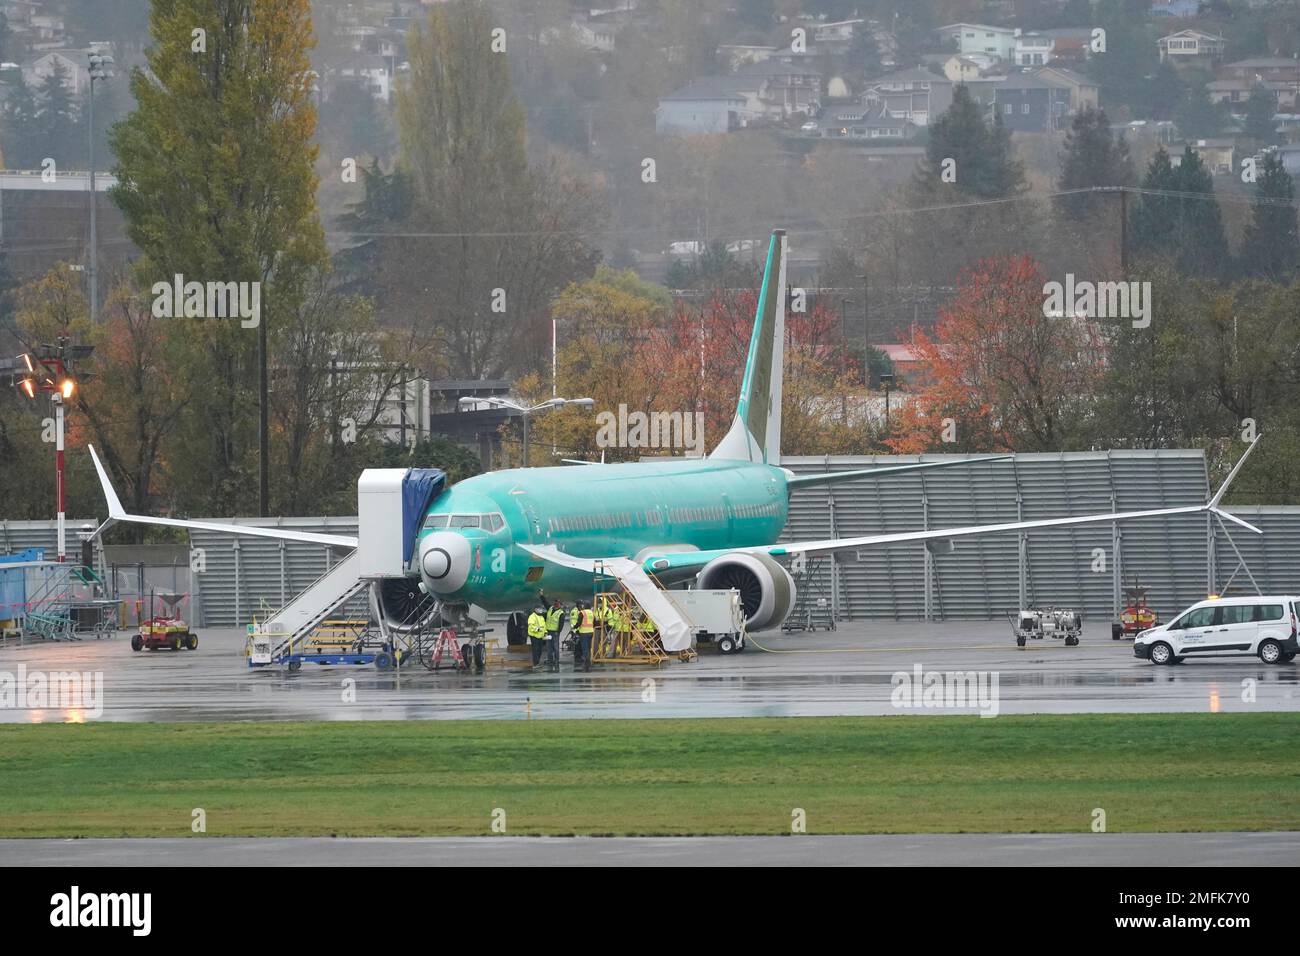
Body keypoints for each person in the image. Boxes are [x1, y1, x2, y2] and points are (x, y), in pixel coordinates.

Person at [574, 600, 595, 670]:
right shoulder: (592, 613)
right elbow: (594, 622)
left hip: (584, 633)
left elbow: (579, 623)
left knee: (585, 649)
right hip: (591, 632)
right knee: (588, 648)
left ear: (585, 606)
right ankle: (589, 662)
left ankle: (587, 664)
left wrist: (574, 627)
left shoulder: (582, 612)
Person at [544, 599, 564, 672]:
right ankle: (550, 660)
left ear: (560, 604)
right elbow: (545, 603)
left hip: (555, 632)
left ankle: (556, 660)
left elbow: (561, 624)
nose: (556, 604)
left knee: (555, 647)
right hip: (548, 631)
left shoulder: (561, 613)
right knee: (549, 647)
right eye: (555, 602)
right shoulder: (550, 608)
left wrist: (558, 631)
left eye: (557, 603)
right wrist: (542, 596)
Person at [527, 605, 548, 669]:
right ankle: (535, 664)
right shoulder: (532, 617)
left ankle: (537, 662)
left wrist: (545, 632)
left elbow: (544, 626)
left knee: (540, 650)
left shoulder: (541, 617)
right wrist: (537, 629)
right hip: (534, 636)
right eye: (539, 609)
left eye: (541, 608)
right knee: (535, 650)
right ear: (535, 609)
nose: (541, 610)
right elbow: (531, 626)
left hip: (540, 636)